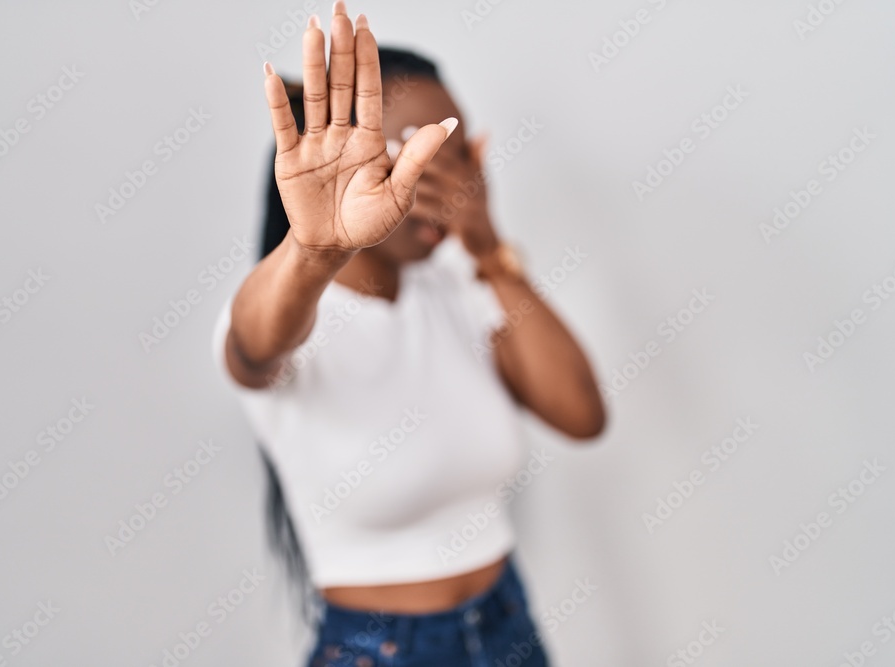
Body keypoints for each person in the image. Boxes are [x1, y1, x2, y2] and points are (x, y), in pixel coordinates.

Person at [212, 3, 606, 664]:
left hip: (508, 627)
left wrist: (487, 248)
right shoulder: (292, 319)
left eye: (458, 156)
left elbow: (583, 414)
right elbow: (252, 346)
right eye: (415, 154)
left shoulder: (456, 292)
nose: (446, 183)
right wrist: (312, 250)